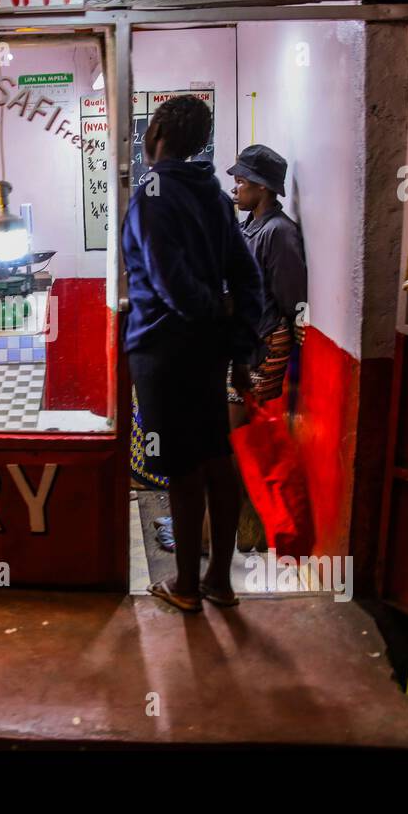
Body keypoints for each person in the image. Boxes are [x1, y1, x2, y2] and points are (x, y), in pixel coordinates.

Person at [121, 95, 263, 612]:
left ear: (154, 132)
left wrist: (213, 321)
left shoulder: (152, 193)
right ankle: (220, 582)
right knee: (215, 457)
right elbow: (247, 276)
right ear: (201, 142)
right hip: (207, 352)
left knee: (181, 467)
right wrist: (237, 341)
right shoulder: (214, 195)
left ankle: (185, 586)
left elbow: (167, 282)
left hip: (164, 349)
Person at [226, 144, 308, 551]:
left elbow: (290, 300)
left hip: (262, 347)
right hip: (243, 345)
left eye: (242, 180)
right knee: (232, 437)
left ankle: (246, 527)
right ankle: (239, 525)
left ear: (263, 187)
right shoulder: (247, 228)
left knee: (236, 437)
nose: (235, 186)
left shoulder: (279, 232)